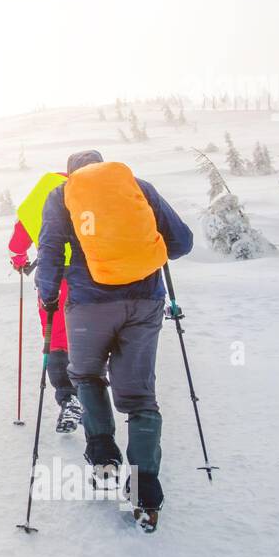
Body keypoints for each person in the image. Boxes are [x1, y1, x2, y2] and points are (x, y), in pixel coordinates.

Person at [34, 150, 194, 533]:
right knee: (140, 397)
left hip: (89, 304)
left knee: (86, 376)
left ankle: (104, 459)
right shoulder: (139, 187)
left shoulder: (62, 195)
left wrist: (49, 294)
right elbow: (182, 242)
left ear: (73, 173)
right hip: (145, 301)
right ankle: (145, 495)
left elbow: (50, 250)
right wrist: (143, 256)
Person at [9, 170, 83, 433]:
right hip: (87, 274)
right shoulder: (86, 189)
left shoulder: (38, 196)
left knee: (56, 338)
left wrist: (20, 262)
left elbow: (17, 243)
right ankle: (89, 395)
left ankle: (68, 397)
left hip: (51, 276)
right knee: (88, 334)